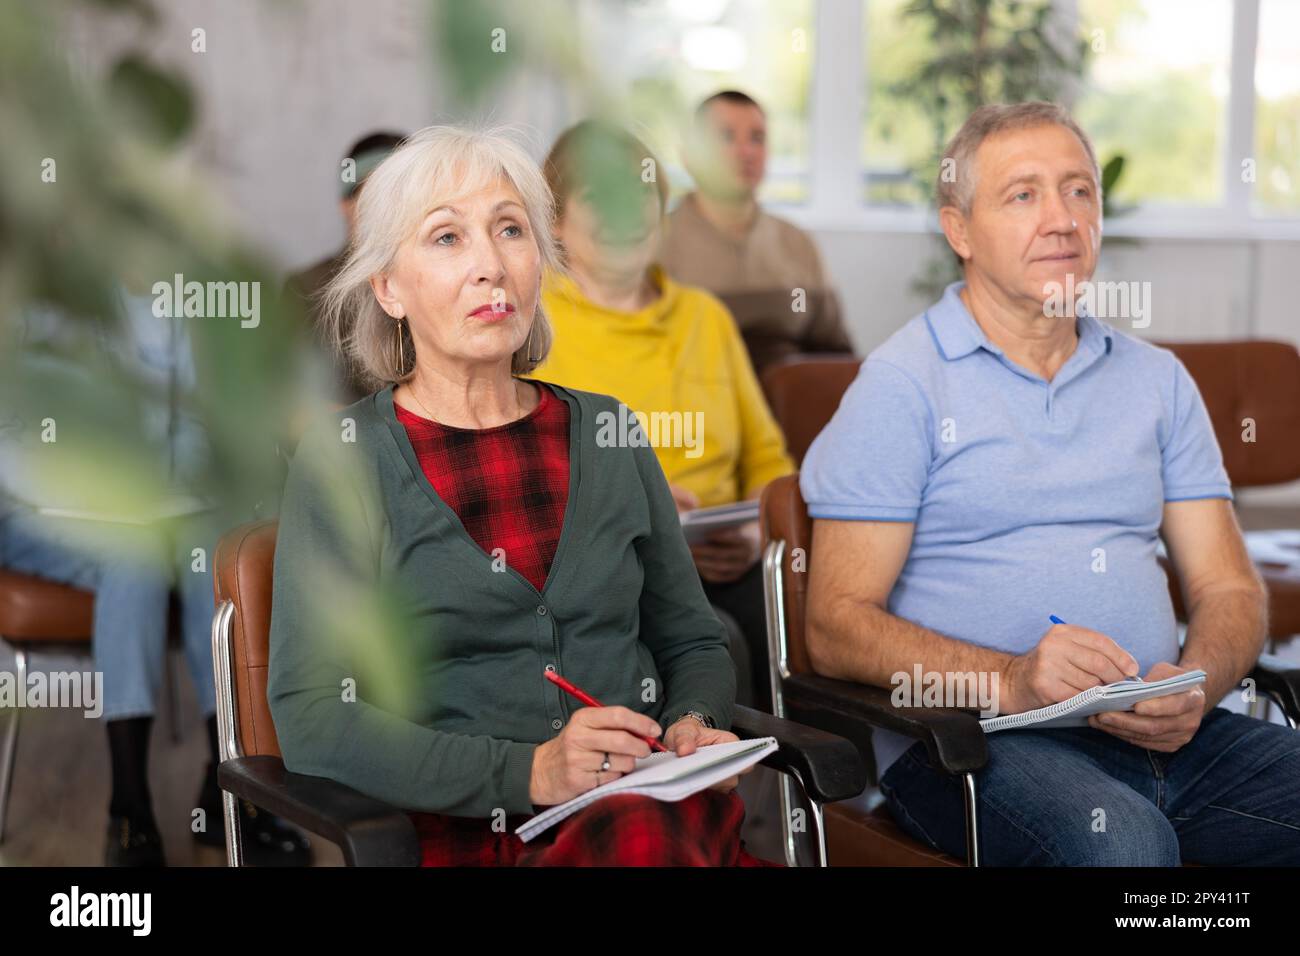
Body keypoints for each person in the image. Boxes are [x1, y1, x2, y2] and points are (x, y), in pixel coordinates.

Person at [801, 101, 1300, 865]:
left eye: (1079, 190)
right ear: (959, 230)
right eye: (1023, 194)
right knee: (1126, 848)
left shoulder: (1157, 381)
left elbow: (1230, 591)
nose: (1063, 219)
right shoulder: (902, 386)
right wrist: (1010, 678)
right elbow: (834, 625)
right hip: (972, 746)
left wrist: (1195, 683)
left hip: (1170, 739)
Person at [271, 125, 776, 866]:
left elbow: (691, 639)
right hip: (472, 835)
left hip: (651, 813)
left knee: (640, 835)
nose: (489, 266)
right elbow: (313, 717)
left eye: (511, 230)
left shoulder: (609, 430)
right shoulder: (346, 460)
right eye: (446, 238)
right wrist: (530, 772)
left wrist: (692, 720)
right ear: (389, 288)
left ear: (539, 261)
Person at [0, 289, 309, 866]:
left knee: (204, 549)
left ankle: (225, 792)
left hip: (140, 509)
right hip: (30, 509)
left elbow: (191, 424)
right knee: (134, 550)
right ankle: (130, 804)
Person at [530, 119, 795, 712]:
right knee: (718, 645)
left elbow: (767, 458)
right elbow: (522, 472)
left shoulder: (706, 317)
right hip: (610, 572)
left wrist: (754, 531)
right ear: (555, 220)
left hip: (732, 556)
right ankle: (739, 799)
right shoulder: (529, 322)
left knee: (811, 617)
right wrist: (643, 517)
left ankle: (825, 797)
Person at [661, 90, 852, 376]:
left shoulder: (797, 243)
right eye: (727, 137)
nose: (746, 151)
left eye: (757, 138)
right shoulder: (656, 242)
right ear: (689, 155)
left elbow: (836, 355)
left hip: (787, 414)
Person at [284, 131, 406, 404]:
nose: (388, 209)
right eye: (373, 193)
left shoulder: (439, 281)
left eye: (402, 195)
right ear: (346, 204)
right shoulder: (308, 288)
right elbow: (290, 399)